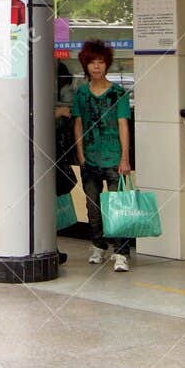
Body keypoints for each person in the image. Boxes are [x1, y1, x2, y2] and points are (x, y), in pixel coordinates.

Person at [71, 39, 134, 272]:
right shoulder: (80, 94)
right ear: (85, 65)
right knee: (93, 206)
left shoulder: (118, 93)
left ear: (107, 65)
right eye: (92, 63)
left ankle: (122, 252)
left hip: (115, 158)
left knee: (119, 207)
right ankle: (98, 245)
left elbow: (123, 126)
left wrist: (125, 158)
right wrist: (80, 155)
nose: (96, 67)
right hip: (90, 158)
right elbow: (78, 124)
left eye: (101, 62)